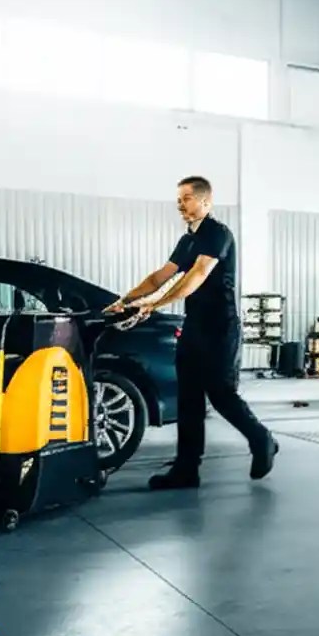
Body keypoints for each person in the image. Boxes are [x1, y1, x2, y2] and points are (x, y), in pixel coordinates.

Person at [105, 175, 278, 489]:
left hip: (220, 328)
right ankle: (187, 469)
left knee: (222, 394)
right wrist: (124, 300)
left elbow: (197, 275)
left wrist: (153, 304)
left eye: (186, 198)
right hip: (194, 327)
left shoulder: (218, 234)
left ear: (205, 201)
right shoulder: (188, 240)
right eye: (179, 198)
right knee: (189, 400)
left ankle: (262, 439)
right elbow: (161, 275)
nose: (180, 204)